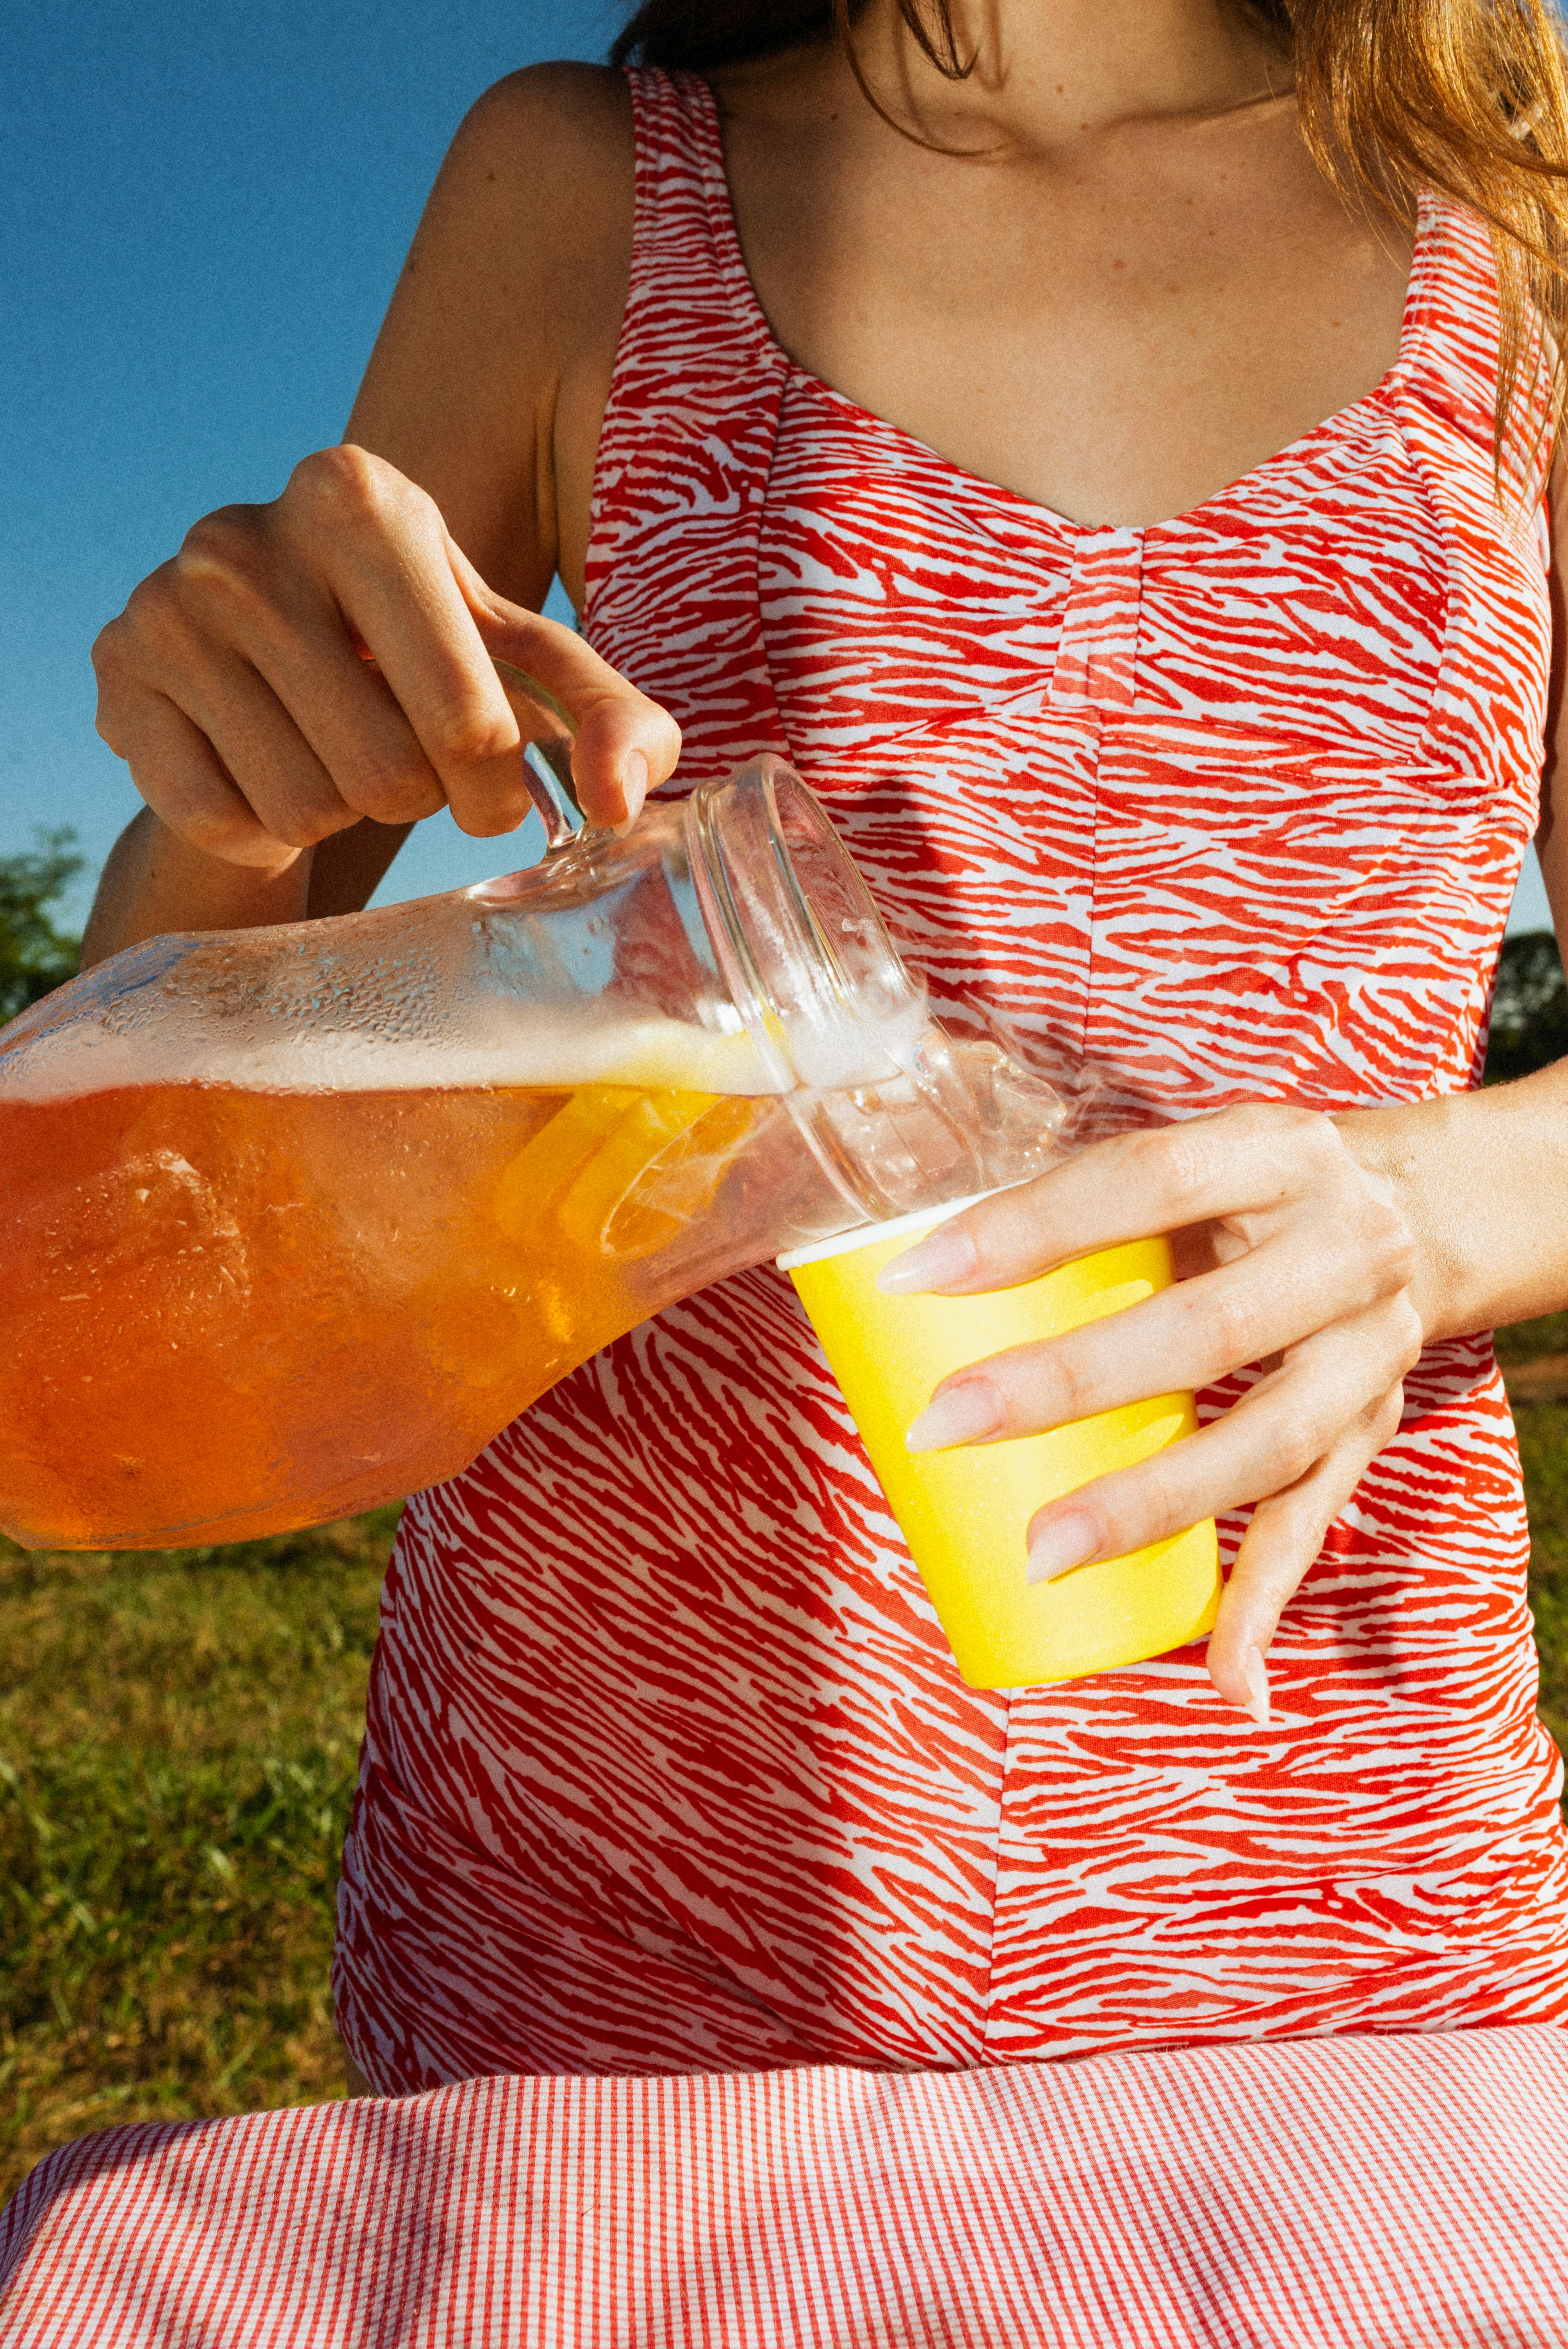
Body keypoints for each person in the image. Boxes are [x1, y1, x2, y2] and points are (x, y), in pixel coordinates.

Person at [82, 0, 1568, 2095]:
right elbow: (190, 1072)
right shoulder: (586, 186)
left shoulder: (1530, 236)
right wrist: (230, 797)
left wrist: (1431, 1206)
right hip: (628, 1866)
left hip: (1334, 1847)